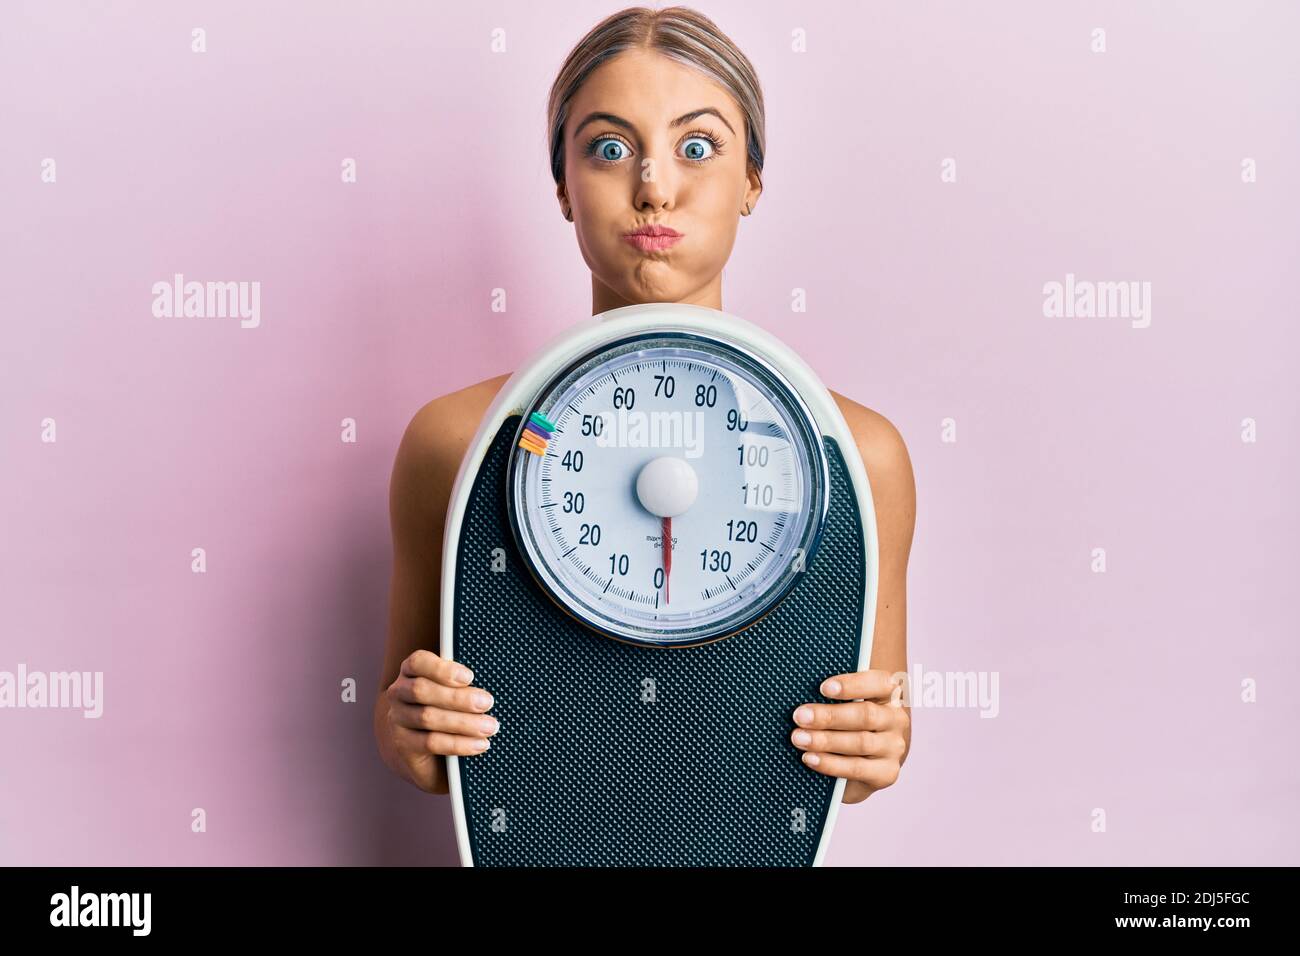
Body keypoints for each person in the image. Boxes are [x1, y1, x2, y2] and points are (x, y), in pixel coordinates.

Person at [374, 6, 916, 809]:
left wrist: (877, 742)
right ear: (563, 186)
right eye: (609, 148)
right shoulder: (459, 443)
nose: (655, 186)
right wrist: (408, 728)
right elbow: (413, 739)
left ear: (753, 182)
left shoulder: (858, 454)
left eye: (696, 147)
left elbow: (865, 760)